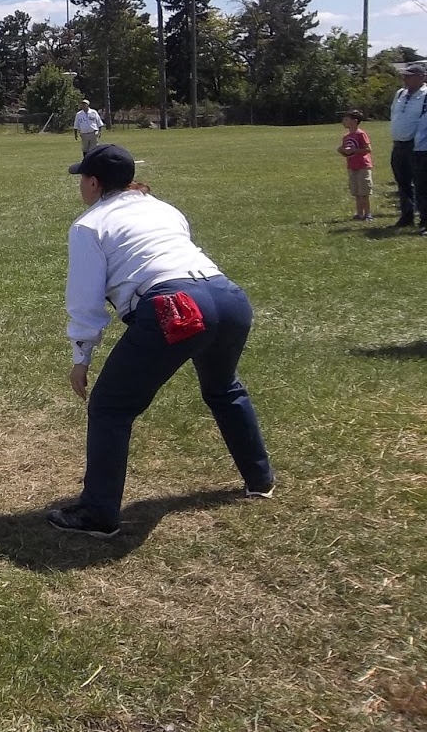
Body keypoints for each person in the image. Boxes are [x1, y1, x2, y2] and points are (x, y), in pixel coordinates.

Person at [49, 143, 274, 537]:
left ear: (94, 182)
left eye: (82, 179)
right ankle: (260, 478)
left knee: (110, 405)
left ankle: (98, 513)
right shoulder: (164, 208)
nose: (80, 186)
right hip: (229, 297)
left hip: (176, 305)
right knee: (224, 388)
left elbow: (85, 301)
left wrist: (81, 356)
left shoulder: (89, 225)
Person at [387, 62, 427, 228]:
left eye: (409, 76)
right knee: (402, 182)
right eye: (404, 75)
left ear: (422, 77)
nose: (405, 78)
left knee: (421, 183)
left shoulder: (425, 95)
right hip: (399, 143)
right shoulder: (400, 93)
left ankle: (425, 220)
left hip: (418, 146)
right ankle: (407, 216)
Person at [338, 110, 373, 222]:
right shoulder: (346, 137)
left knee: (364, 192)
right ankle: (359, 214)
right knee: (356, 192)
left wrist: (354, 150)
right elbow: (347, 153)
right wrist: (342, 150)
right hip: (352, 166)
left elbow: (368, 149)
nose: (343, 121)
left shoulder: (360, 134)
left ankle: (367, 214)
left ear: (355, 121)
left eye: (346, 119)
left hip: (363, 166)